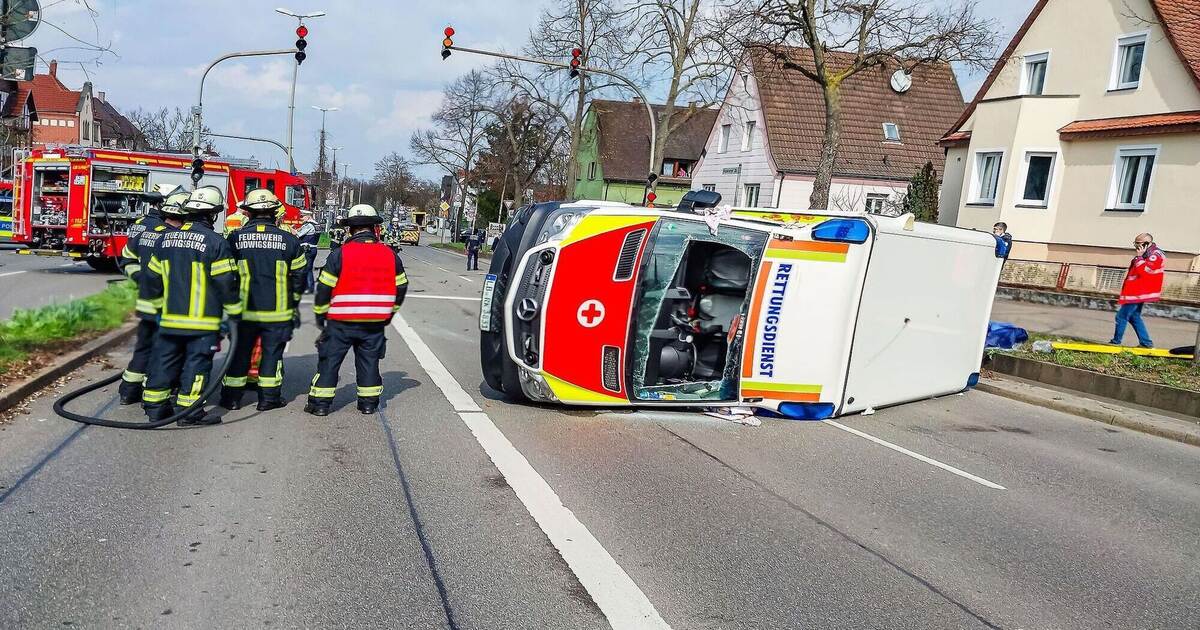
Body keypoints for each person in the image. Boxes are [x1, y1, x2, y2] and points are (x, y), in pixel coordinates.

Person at [141, 186, 242, 425]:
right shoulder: (216, 243)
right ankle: (190, 412)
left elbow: (152, 279)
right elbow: (226, 283)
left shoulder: (163, 239)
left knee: (164, 360)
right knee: (197, 364)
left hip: (168, 319)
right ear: (213, 214)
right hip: (201, 321)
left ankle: (155, 408)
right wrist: (234, 312)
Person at [305, 204, 409, 416]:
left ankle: (320, 405)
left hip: (341, 322)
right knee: (369, 362)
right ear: (374, 228)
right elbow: (401, 286)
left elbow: (324, 287)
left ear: (350, 230)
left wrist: (322, 314)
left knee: (330, 361)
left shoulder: (339, 254)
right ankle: (368, 404)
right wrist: (389, 312)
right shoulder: (389, 255)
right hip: (373, 322)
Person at [219, 189, 307, 411]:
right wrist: (292, 302)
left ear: (247, 213)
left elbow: (225, 275)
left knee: (240, 353)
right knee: (271, 355)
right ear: (274, 211)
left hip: (243, 310)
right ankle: (268, 399)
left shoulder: (234, 239)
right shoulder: (290, 241)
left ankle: (231, 399)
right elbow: (300, 277)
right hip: (276, 311)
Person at [115, 186, 188, 405]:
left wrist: (141, 280)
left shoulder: (146, 232)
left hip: (147, 301)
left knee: (145, 346)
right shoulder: (173, 239)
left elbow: (126, 260)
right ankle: (154, 392)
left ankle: (128, 391)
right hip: (167, 303)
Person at [1111, 233, 1166, 348]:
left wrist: (1139, 257)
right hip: (1136, 291)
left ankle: (1115, 342)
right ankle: (1146, 342)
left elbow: (1144, 272)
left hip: (1139, 292)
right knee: (1134, 316)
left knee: (1121, 316)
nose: (1136, 246)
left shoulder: (1155, 255)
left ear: (1146, 243)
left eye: (1138, 243)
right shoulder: (1146, 254)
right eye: (1135, 243)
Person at [296, 211, 320, 293]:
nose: (301, 218)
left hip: (307, 249)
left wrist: (291, 229)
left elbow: (298, 234)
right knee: (309, 268)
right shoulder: (316, 224)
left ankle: (309, 287)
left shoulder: (309, 225)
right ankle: (310, 286)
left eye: (303, 216)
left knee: (306, 269)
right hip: (313, 248)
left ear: (308, 217)